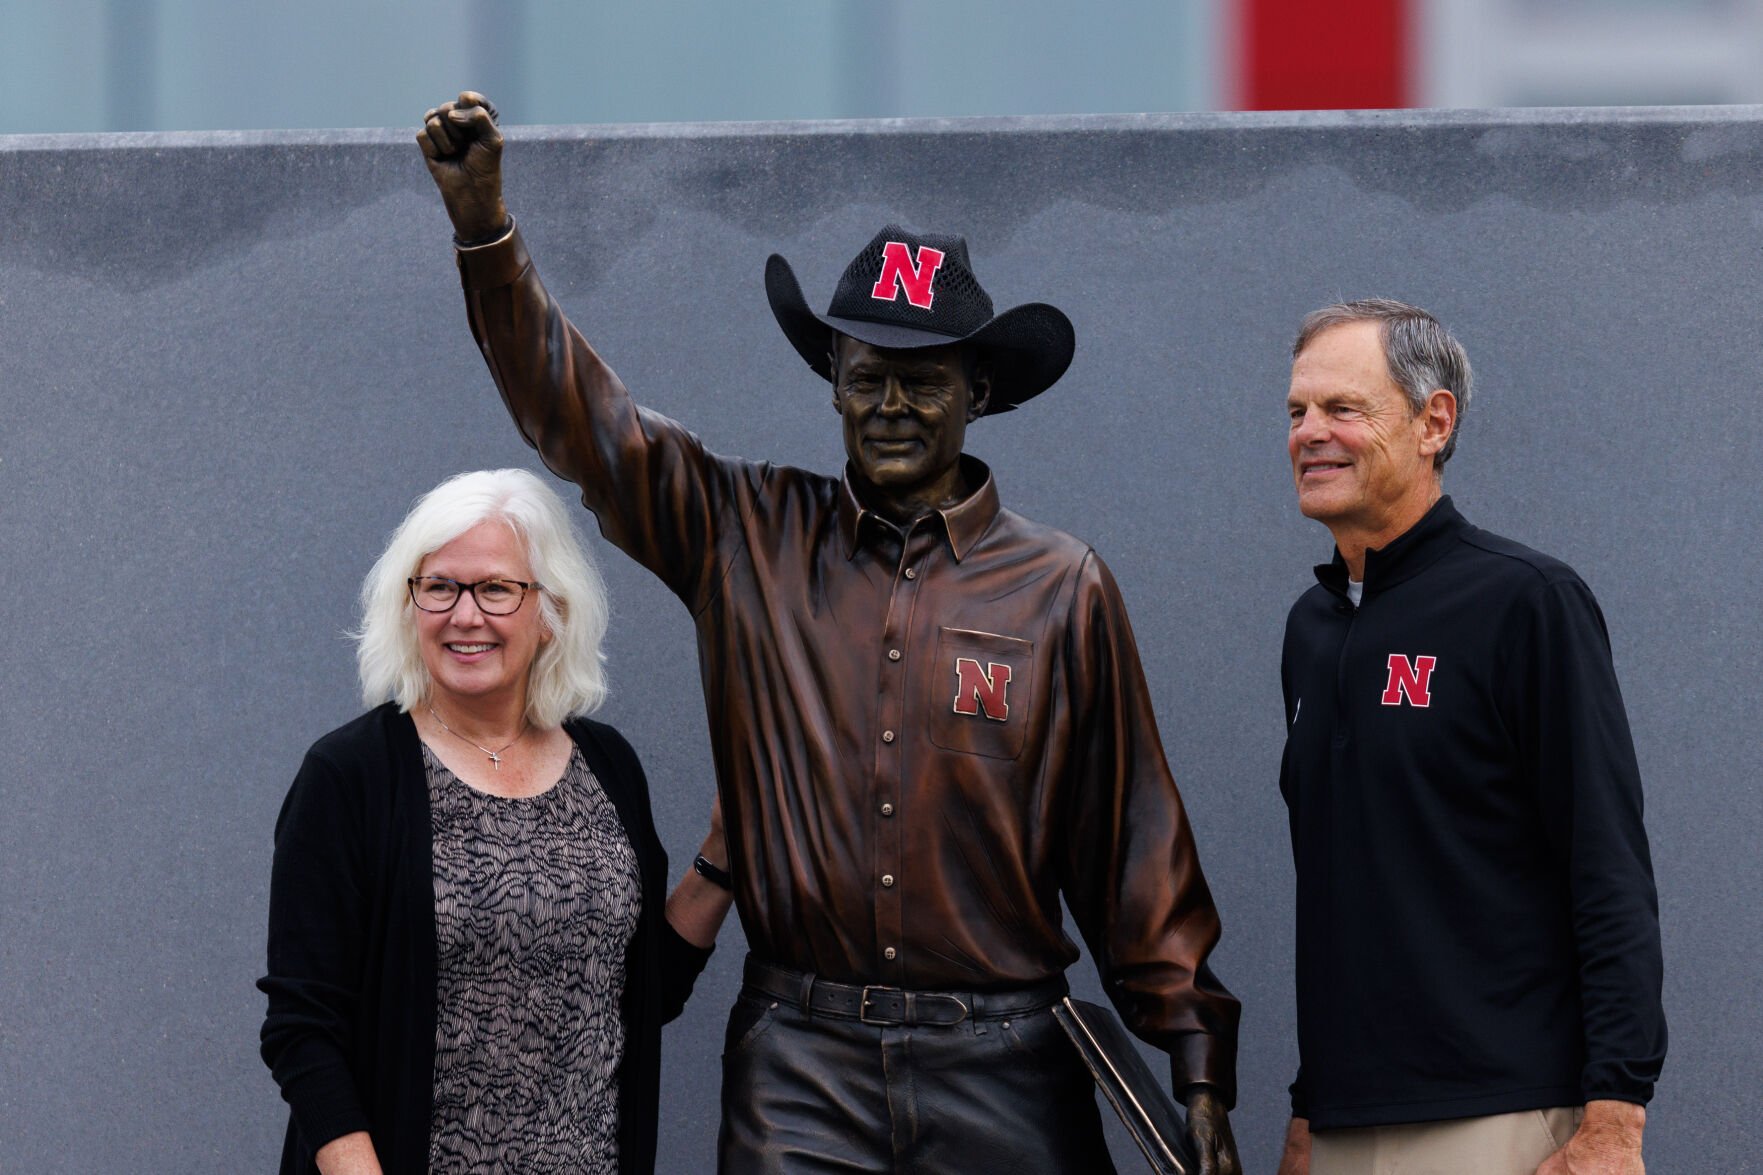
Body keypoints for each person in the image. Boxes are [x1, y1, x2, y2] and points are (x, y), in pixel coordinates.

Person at [416, 92, 1243, 1174]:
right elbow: (585, 419)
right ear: (832, 386)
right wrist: (487, 234)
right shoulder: (739, 531)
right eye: (866, 378)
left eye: (922, 380)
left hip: (1006, 1061)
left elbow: (1133, 837)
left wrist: (1193, 1064)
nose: (890, 404)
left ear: (977, 392)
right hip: (799, 1066)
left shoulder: (1058, 586)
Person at [1275, 300, 1666, 1175]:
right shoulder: (1312, 629)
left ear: (1432, 420)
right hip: (1343, 1124)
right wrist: (1309, 1112)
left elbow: (1604, 865)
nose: (1309, 433)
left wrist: (1614, 1116)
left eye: (1342, 408)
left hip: (1498, 1119)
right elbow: (1344, 895)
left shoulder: (1526, 601)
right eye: (1295, 412)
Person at [258, 468, 733, 1175]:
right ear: (408, 604)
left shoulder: (607, 765)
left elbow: (636, 994)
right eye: (440, 586)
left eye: (496, 588)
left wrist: (723, 856)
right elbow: (303, 1030)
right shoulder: (350, 776)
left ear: (550, 612)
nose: (464, 614)